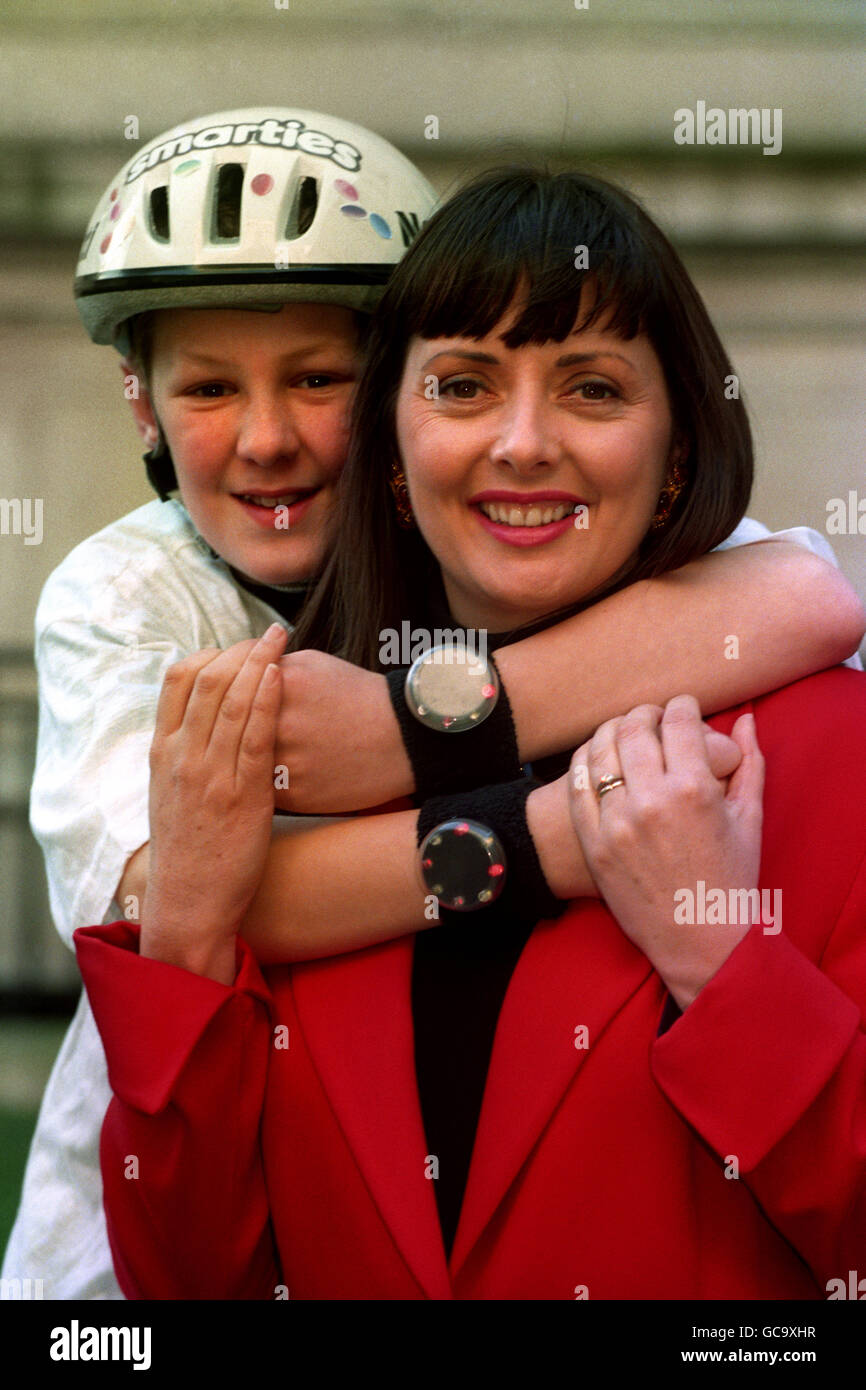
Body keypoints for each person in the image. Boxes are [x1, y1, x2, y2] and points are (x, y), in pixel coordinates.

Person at [6, 115, 850, 1304]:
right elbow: (193, 1265)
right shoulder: (159, 637)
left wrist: (719, 967)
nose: (267, 440)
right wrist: (526, 833)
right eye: (462, 385)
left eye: (317, 380)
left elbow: (807, 594)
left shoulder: (809, 744)